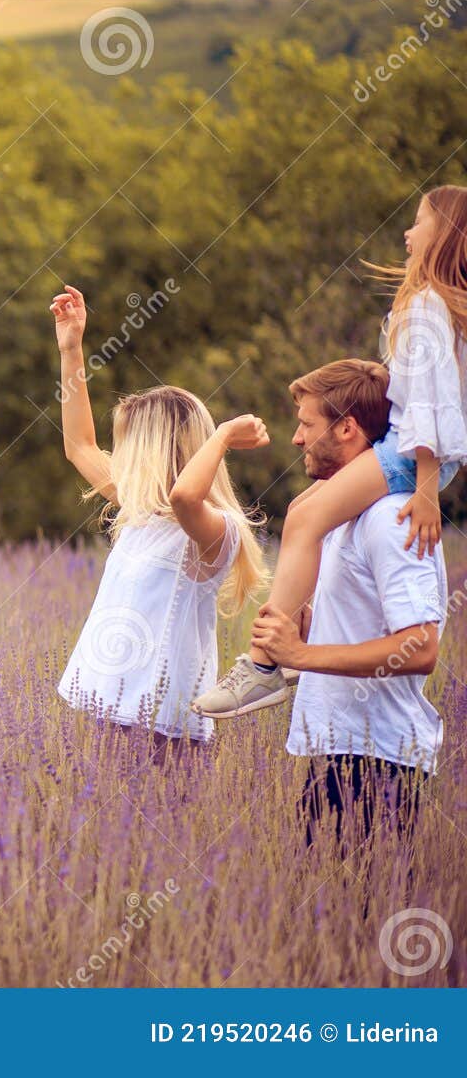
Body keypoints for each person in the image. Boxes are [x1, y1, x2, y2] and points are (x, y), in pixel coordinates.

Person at [197, 186, 467, 717]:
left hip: (412, 453)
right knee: (302, 511)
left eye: (419, 223)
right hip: (412, 449)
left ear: (444, 236)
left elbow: (432, 403)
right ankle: (292, 646)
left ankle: (263, 667)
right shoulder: (434, 306)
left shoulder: (425, 306)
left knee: (305, 519)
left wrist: (428, 489)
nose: (408, 234)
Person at [52, 284, 268, 744]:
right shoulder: (141, 512)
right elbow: (79, 446)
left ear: (153, 449)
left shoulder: (211, 528)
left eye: (129, 442)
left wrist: (224, 434)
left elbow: (185, 497)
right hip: (113, 713)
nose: (120, 453)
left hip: (164, 728)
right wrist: (71, 350)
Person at [247, 360, 445, 847]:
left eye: (306, 424)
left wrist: (300, 657)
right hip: (340, 749)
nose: (296, 438)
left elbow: (420, 647)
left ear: (348, 428)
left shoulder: (389, 519)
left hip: (377, 763)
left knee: (358, 910)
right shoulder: (339, 517)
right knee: (324, 915)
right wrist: (312, 629)